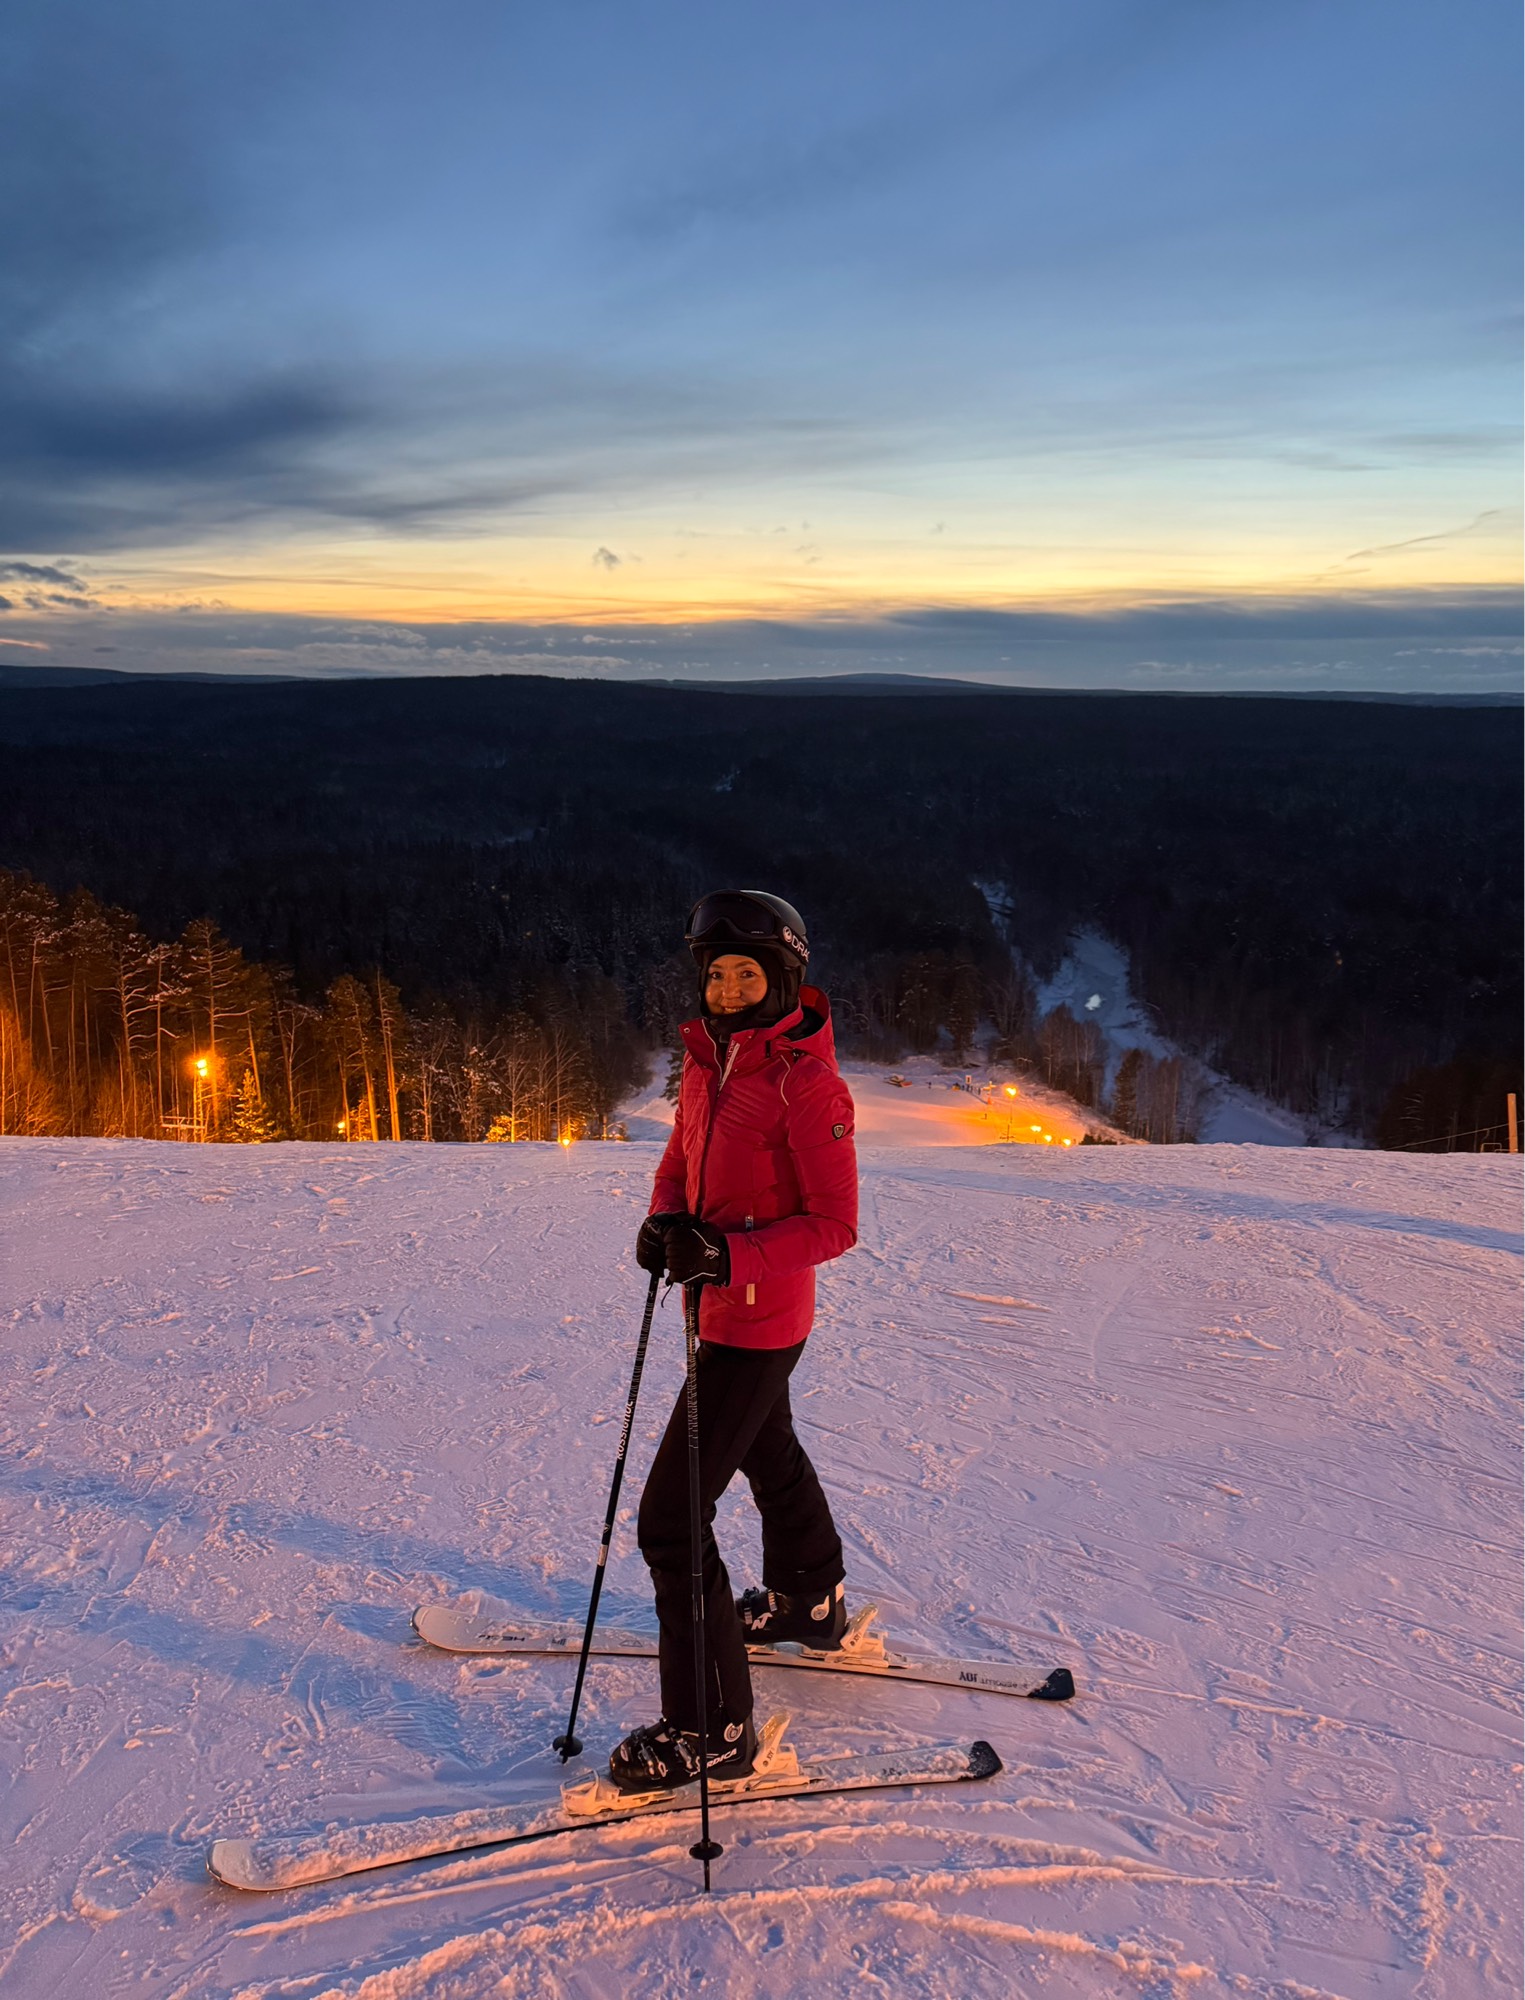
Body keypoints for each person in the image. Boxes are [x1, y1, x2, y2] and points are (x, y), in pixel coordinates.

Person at [609, 889, 859, 1793]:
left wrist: (729, 1253)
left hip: (759, 1323)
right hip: (713, 1309)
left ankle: (710, 1730)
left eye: (744, 973)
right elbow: (681, 1160)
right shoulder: (709, 1067)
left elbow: (834, 1224)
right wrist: (664, 1219)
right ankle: (808, 1600)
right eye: (714, 973)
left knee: (671, 1524)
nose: (724, 988)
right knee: (766, 1447)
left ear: (784, 979)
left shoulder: (807, 1084)